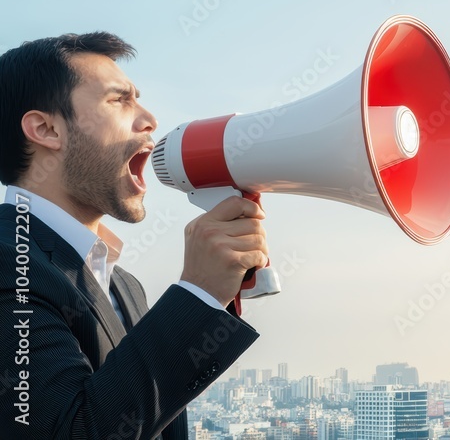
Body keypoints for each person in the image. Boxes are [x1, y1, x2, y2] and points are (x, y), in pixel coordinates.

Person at [0, 32, 269, 439]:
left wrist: (209, 295)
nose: (149, 119)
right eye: (119, 100)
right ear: (46, 129)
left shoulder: (125, 285)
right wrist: (196, 294)